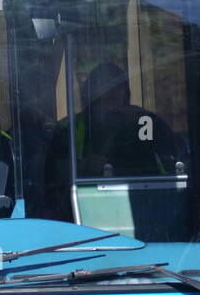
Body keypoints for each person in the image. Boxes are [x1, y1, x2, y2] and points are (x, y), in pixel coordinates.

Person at [44, 61, 183, 215]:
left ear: (126, 91)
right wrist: (83, 168)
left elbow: (176, 166)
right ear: (90, 92)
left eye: (118, 84)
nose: (112, 90)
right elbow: (54, 177)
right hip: (85, 213)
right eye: (104, 84)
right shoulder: (68, 128)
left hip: (148, 209)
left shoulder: (148, 123)